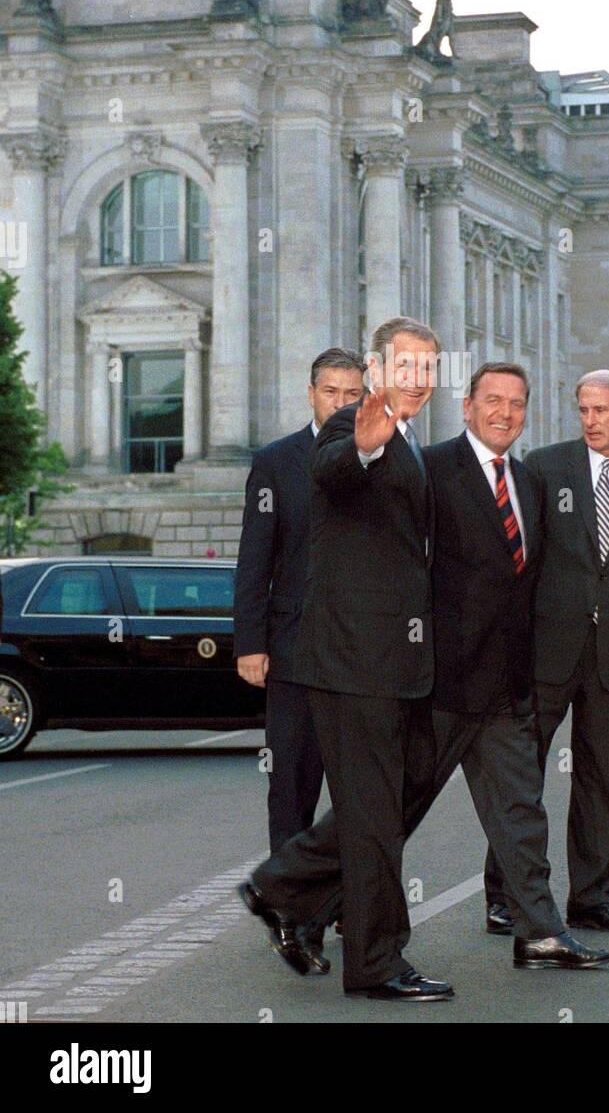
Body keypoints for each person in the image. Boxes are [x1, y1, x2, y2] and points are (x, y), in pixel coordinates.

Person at [240, 317, 453, 1002]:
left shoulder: (415, 441)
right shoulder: (348, 428)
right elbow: (335, 469)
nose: (417, 379)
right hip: (353, 661)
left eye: (428, 368)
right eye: (406, 366)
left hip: (392, 663)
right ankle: (375, 962)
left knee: (376, 814)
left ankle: (283, 886)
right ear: (377, 369)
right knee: (371, 821)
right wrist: (361, 448)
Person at [409, 362, 609, 969]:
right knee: (392, 803)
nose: (504, 413)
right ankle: (292, 890)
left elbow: (527, 583)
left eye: (516, 404)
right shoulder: (430, 469)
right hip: (441, 680)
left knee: (521, 808)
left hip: (503, 685)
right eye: (491, 400)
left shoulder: (526, 481)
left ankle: (539, 932)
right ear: (467, 405)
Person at [484, 369, 609, 934]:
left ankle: (591, 899)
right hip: (546, 650)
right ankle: (504, 898)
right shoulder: (547, 467)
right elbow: (518, 559)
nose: (590, 421)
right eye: (583, 410)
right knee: (521, 778)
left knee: (601, 781)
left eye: (601, 410)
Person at [233, 347, 366, 971]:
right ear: (311, 394)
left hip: (360, 655)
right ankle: (291, 915)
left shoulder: (377, 456)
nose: (342, 402)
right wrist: (250, 642)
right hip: (289, 652)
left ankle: (342, 903)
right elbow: (254, 558)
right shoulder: (275, 462)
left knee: (359, 791)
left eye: (352, 393)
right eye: (331, 391)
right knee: (291, 785)